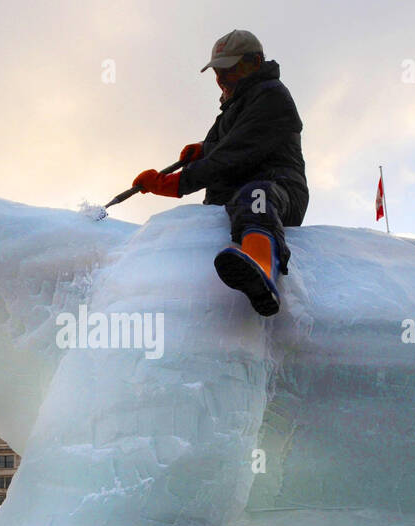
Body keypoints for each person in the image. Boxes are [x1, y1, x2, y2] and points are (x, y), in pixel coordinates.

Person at [130, 29, 307, 317]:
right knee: (236, 202)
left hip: (278, 189)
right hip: (235, 197)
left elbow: (233, 155)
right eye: (217, 70)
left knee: (256, 196)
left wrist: (174, 183)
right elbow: (223, 147)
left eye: (229, 68)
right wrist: (204, 148)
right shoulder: (233, 106)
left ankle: (263, 267)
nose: (220, 78)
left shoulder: (272, 96)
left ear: (255, 62)